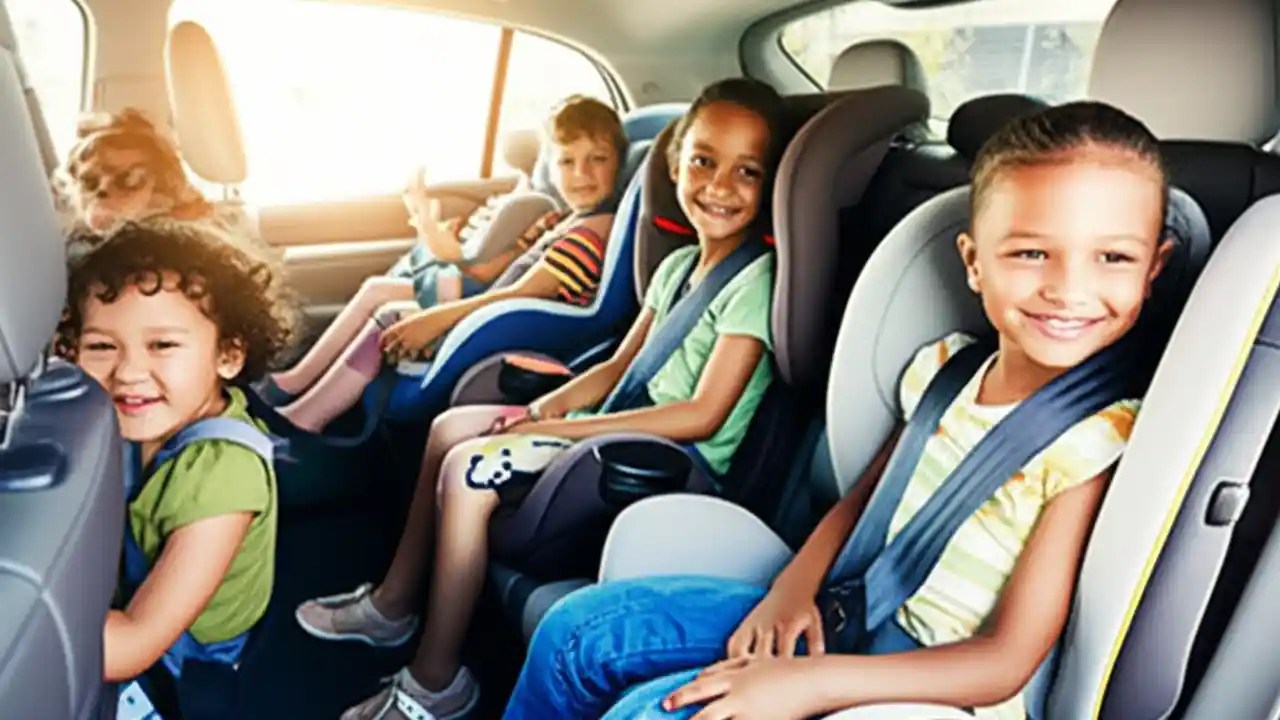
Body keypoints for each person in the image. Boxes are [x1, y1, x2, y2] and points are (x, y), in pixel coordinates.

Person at [501, 100, 1175, 720]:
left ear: (1154, 267)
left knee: (651, 711)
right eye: (1031, 253)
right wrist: (791, 589)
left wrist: (809, 683)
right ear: (973, 263)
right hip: (842, 614)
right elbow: (864, 499)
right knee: (576, 631)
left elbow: (1003, 662)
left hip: (928, 690)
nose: (1068, 289)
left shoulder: (1098, 438)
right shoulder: (945, 368)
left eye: (1112, 257)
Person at [294, 77, 788, 720]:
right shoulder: (675, 268)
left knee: (470, 473)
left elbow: (703, 415)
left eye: (746, 172)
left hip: (666, 462)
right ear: (674, 164)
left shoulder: (755, 281)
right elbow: (618, 364)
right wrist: (553, 407)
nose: (719, 187)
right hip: (612, 428)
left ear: (771, 185)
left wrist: (570, 433)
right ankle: (394, 605)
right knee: (450, 431)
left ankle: (436, 682)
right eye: (703, 161)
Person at [266, 95, 627, 432]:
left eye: (597, 159)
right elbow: (492, 274)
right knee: (380, 290)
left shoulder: (591, 235)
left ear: (619, 164)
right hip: (490, 310)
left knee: (391, 314)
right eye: (567, 161)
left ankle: (304, 420)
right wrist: (443, 248)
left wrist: (437, 317)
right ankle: (295, 384)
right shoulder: (557, 221)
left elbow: (521, 293)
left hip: (507, 328)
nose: (581, 174)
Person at [55, 219, 296, 714]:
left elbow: (132, 647)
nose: (128, 372)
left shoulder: (222, 476)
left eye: (162, 345)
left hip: (191, 660)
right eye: (101, 346)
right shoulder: (140, 420)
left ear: (228, 354)